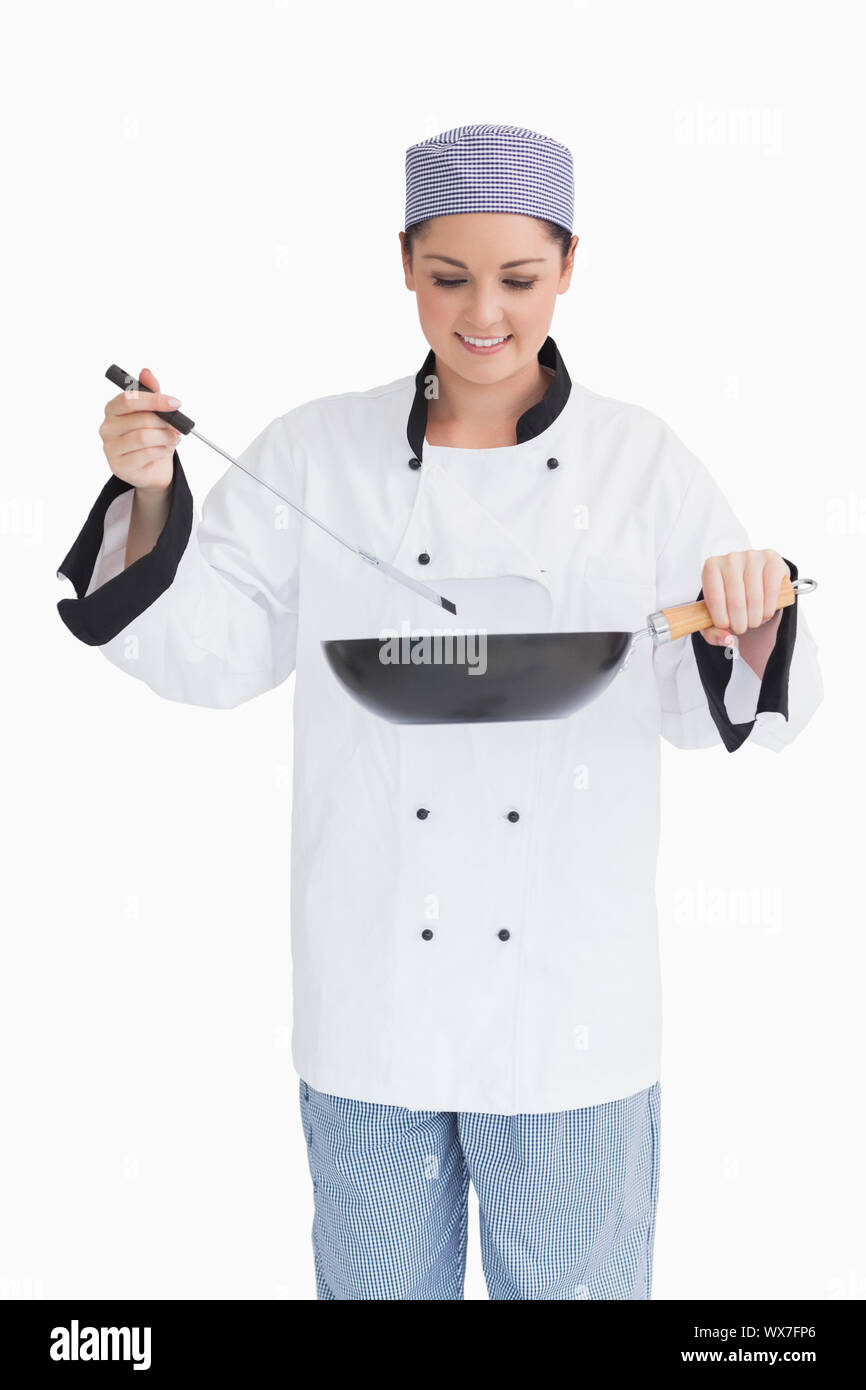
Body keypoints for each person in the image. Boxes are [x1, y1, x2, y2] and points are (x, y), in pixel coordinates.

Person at [56, 123, 823, 1300]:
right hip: (374, 1003)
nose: (483, 313)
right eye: (448, 276)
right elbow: (205, 651)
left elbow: (710, 696)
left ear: (567, 266)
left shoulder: (639, 461)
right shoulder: (318, 452)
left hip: (573, 1011)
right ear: (404, 263)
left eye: (517, 279)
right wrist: (151, 491)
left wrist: (748, 605)